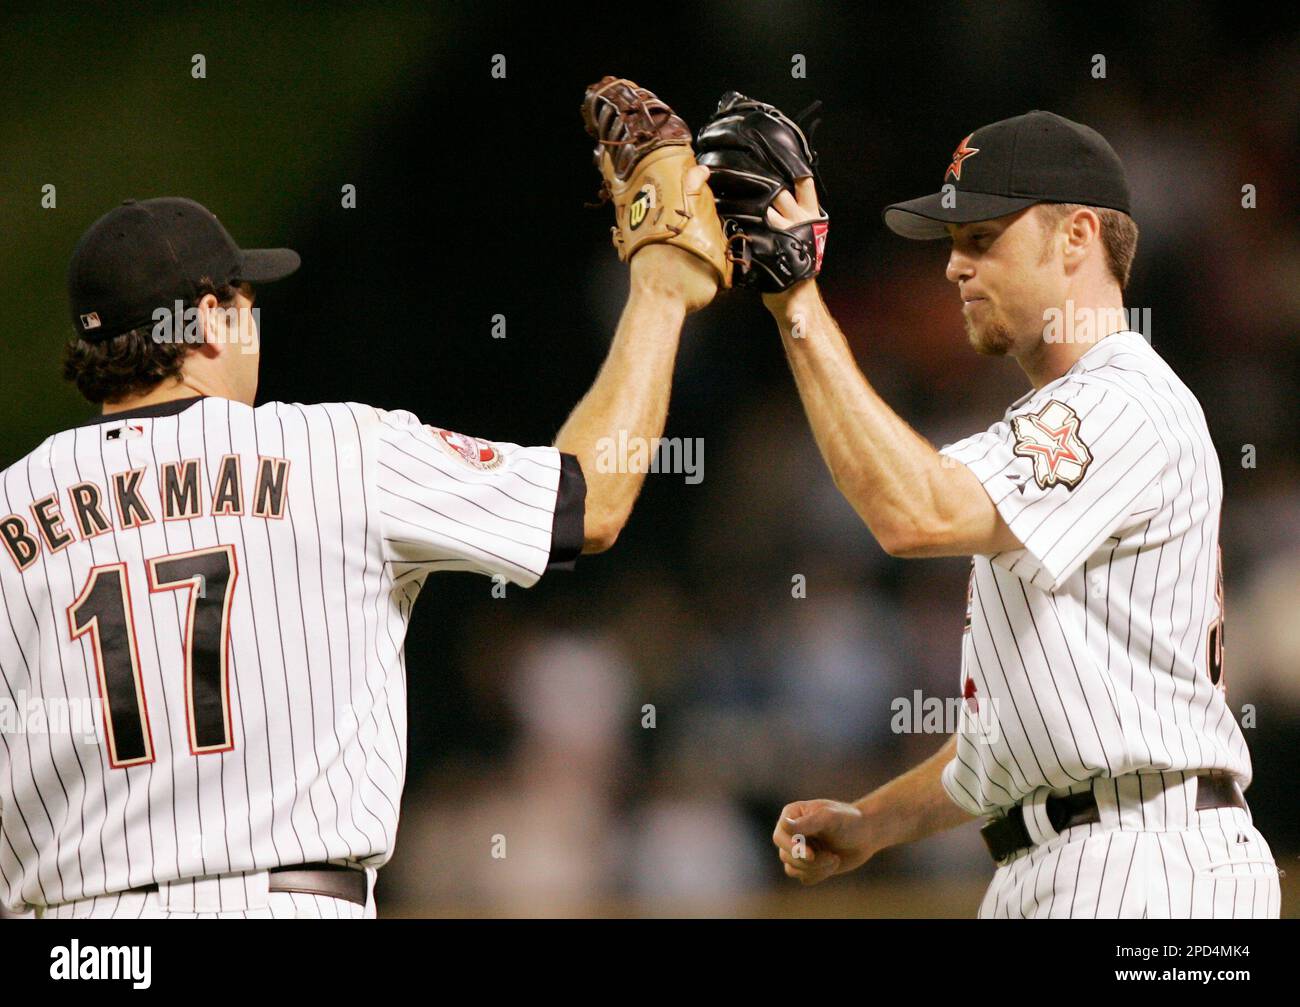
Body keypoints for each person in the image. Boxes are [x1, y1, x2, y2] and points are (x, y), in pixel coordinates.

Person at [0, 188, 718, 918]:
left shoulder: (8, 512)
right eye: (247, 303)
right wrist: (658, 295)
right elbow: (589, 501)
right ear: (209, 320)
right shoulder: (340, 453)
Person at [767, 111, 1280, 918]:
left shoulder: (1119, 401)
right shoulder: (1077, 415)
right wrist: (871, 823)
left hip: (1144, 861)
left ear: (1076, 236)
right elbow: (1011, 754)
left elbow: (913, 514)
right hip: (1074, 858)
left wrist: (797, 299)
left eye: (981, 239)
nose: (953, 268)